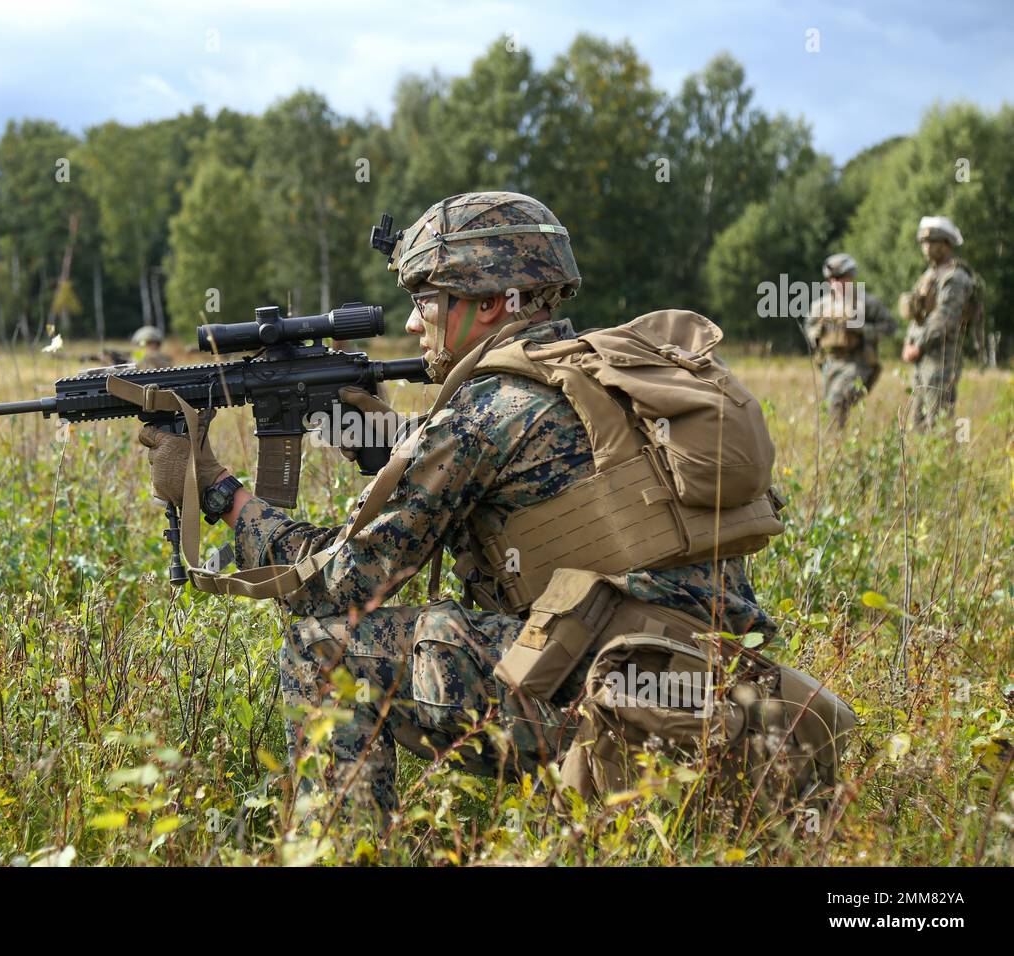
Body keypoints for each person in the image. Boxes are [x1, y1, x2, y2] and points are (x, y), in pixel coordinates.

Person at [136, 192, 830, 817]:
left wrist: (217, 490)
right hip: (723, 700)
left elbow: (339, 585)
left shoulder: (484, 412)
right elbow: (547, 492)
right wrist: (396, 445)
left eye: (426, 300)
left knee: (325, 647)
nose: (414, 323)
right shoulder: (595, 377)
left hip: (627, 715)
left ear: (490, 303)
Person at [900, 216, 979, 429]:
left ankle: (950, 453)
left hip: (942, 358)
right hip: (923, 358)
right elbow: (919, 316)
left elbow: (944, 318)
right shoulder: (928, 276)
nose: (927, 246)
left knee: (938, 422)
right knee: (918, 422)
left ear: (946, 244)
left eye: (932, 241)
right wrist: (909, 342)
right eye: (924, 241)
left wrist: (918, 345)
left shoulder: (955, 277)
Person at [803, 253, 895, 428]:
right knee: (827, 410)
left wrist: (861, 329)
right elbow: (808, 328)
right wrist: (817, 332)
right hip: (830, 364)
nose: (836, 283)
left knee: (838, 400)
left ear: (851, 277)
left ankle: (836, 438)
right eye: (832, 279)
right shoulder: (821, 305)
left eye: (840, 278)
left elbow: (889, 326)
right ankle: (834, 441)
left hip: (858, 363)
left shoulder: (866, 303)